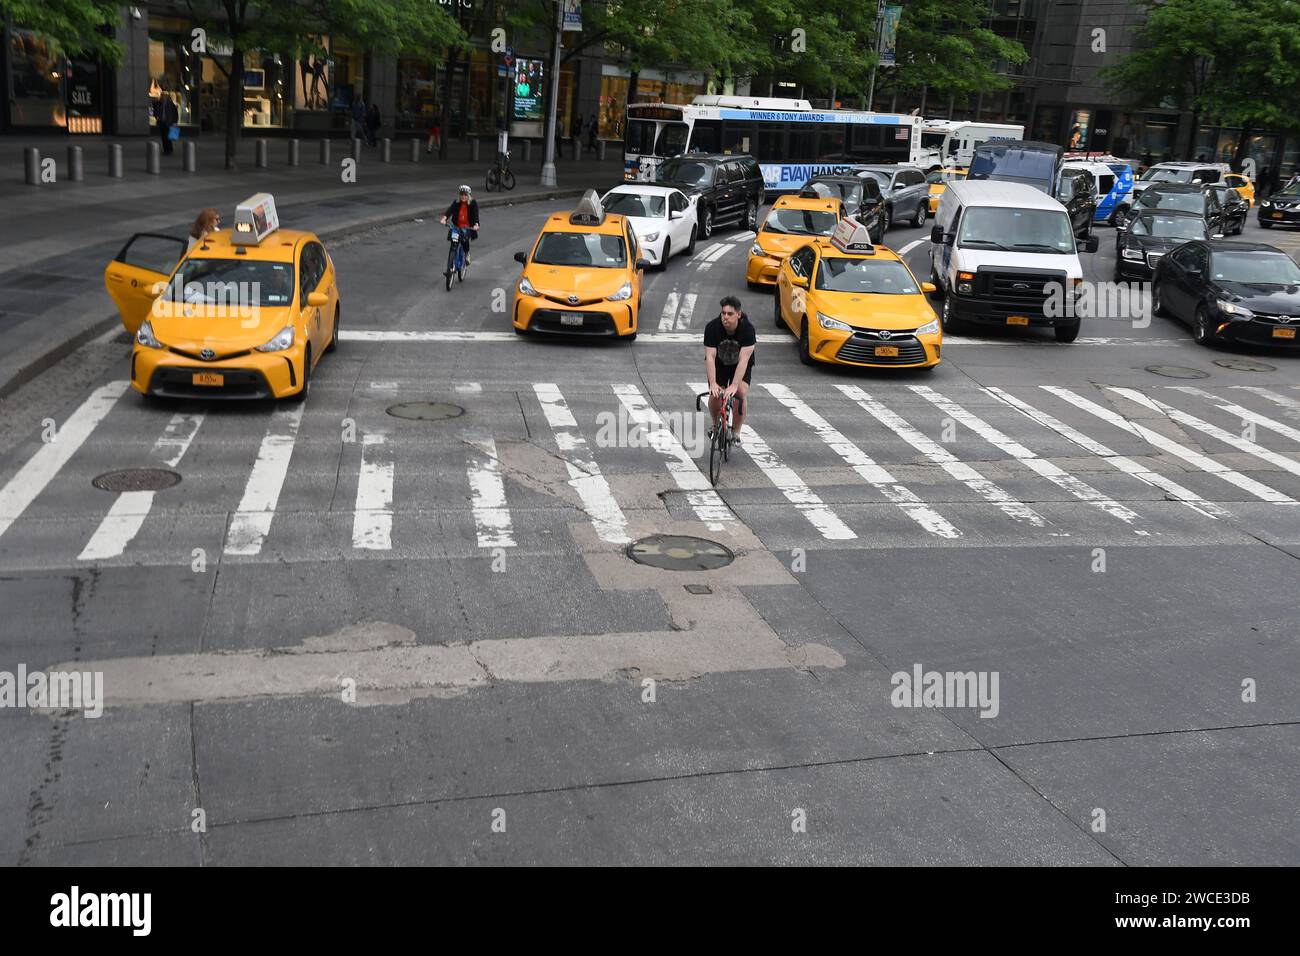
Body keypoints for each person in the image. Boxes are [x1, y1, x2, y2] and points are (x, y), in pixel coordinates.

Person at [703, 296, 756, 445]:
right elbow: (710, 357)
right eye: (723, 313)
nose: (725, 317)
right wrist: (713, 383)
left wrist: (733, 385)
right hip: (719, 362)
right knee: (715, 394)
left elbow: (744, 360)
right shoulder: (712, 327)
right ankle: (715, 426)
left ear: (738, 314)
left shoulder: (748, 329)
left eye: (730, 314)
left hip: (739, 363)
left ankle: (736, 432)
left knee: (740, 392)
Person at [439, 185, 480, 269]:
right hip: (456, 226)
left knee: (464, 239)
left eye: (465, 194)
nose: (463, 196)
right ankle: (451, 261)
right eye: (461, 194)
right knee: (453, 240)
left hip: (467, 227)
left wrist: (476, 224)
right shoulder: (456, 202)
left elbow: (476, 215)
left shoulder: (473, 203)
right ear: (459, 195)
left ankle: (467, 252)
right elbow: (449, 211)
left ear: (468, 195)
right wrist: (444, 219)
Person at [155, 90, 179, 156]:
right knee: (163, 137)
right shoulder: (159, 103)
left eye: (163, 96)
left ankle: (169, 149)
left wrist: (174, 122)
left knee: (168, 137)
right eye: (161, 95)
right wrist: (157, 117)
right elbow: (156, 111)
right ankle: (166, 149)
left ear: (166, 97)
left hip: (168, 122)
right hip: (161, 122)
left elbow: (175, 114)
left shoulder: (170, 104)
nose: (162, 97)